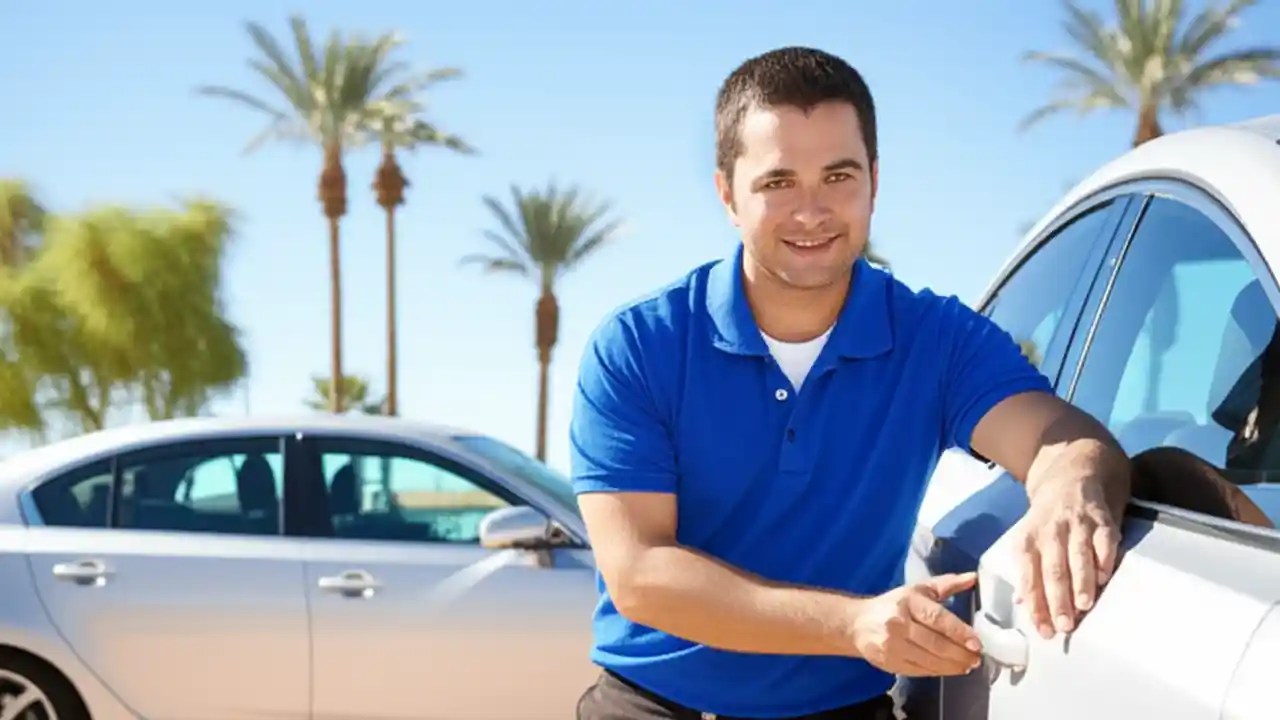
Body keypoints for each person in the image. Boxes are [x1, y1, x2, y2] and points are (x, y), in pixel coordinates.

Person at [568, 46, 1132, 720]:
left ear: (874, 181)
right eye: (778, 182)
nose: (812, 210)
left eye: (839, 175)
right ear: (727, 193)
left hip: (839, 708)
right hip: (654, 706)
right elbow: (640, 577)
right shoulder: (638, 346)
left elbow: (1058, 437)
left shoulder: (938, 339)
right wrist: (852, 625)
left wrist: (1069, 490)